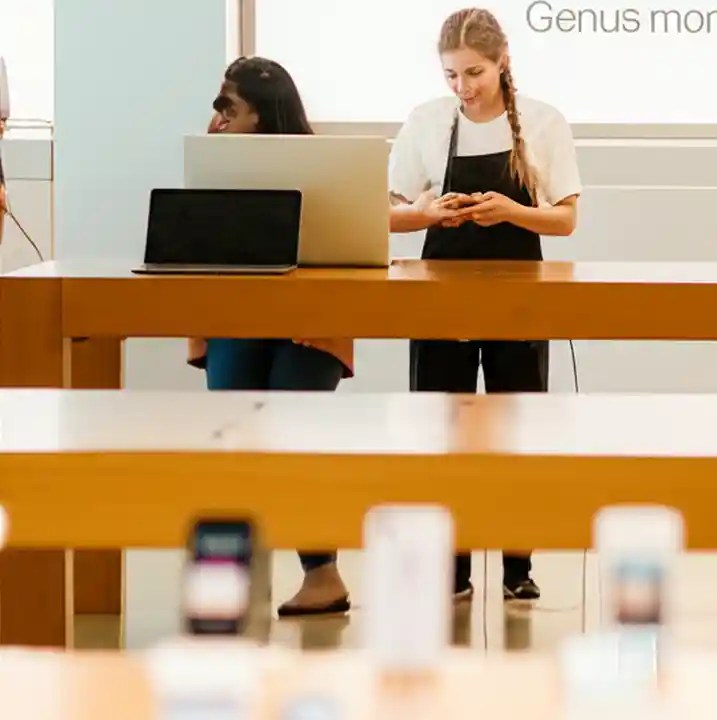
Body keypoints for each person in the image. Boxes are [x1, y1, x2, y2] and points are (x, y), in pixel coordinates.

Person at [391, 6, 582, 603]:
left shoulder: (546, 123)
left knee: (514, 433)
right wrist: (426, 214)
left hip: (519, 297)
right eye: (451, 75)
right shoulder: (425, 121)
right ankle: (450, 572)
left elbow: (567, 219)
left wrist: (512, 212)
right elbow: (387, 213)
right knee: (442, 433)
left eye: (474, 73)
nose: (462, 87)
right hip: (439, 297)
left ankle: (516, 568)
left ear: (502, 62)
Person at [191, 57, 356, 617]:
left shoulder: (324, 164)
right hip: (237, 317)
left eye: (227, 109)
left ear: (260, 117)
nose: (217, 121)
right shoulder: (213, 160)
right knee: (232, 443)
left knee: (296, 442)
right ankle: (230, 574)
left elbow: (350, 236)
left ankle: (322, 574)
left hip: (308, 324)